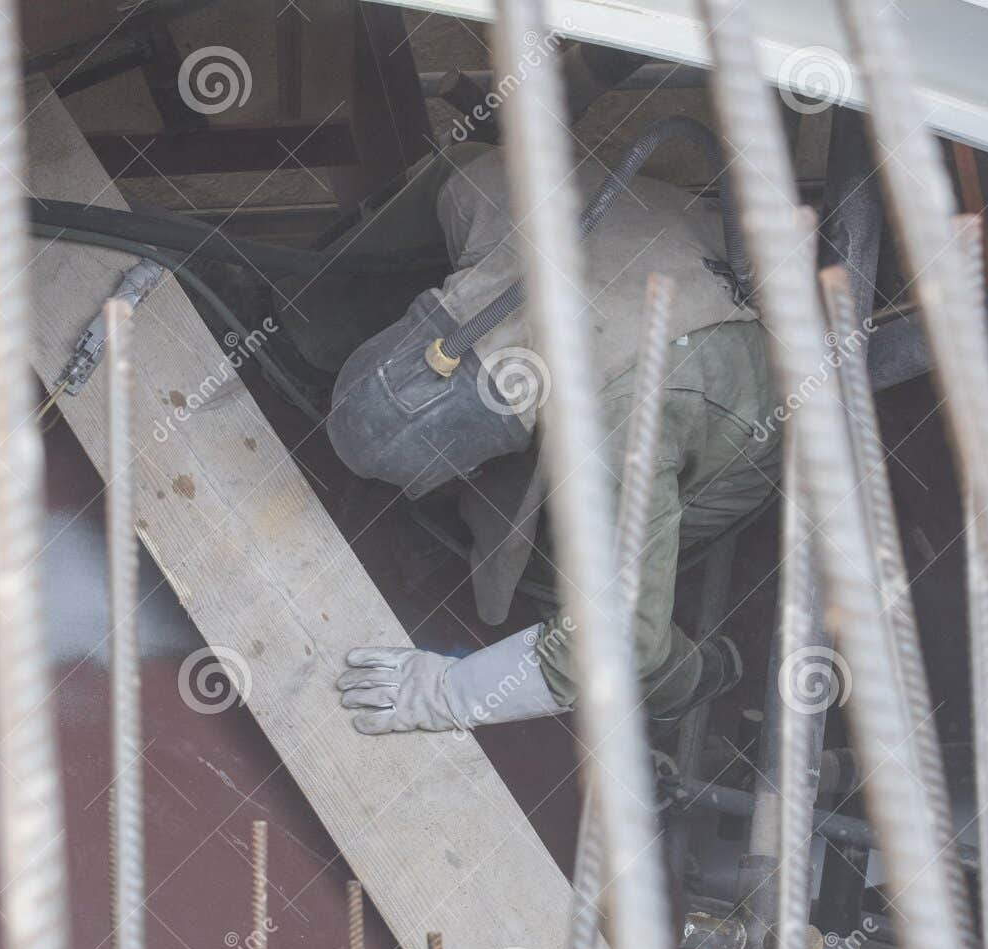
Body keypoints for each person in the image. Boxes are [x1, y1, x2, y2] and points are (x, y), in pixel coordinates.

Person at [326, 141, 780, 735]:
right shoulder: (478, 191)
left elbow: (624, 640)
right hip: (712, 245)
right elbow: (445, 167)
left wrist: (449, 695)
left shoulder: (617, 439)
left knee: (555, 576)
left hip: (754, 402)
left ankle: (696, 679)